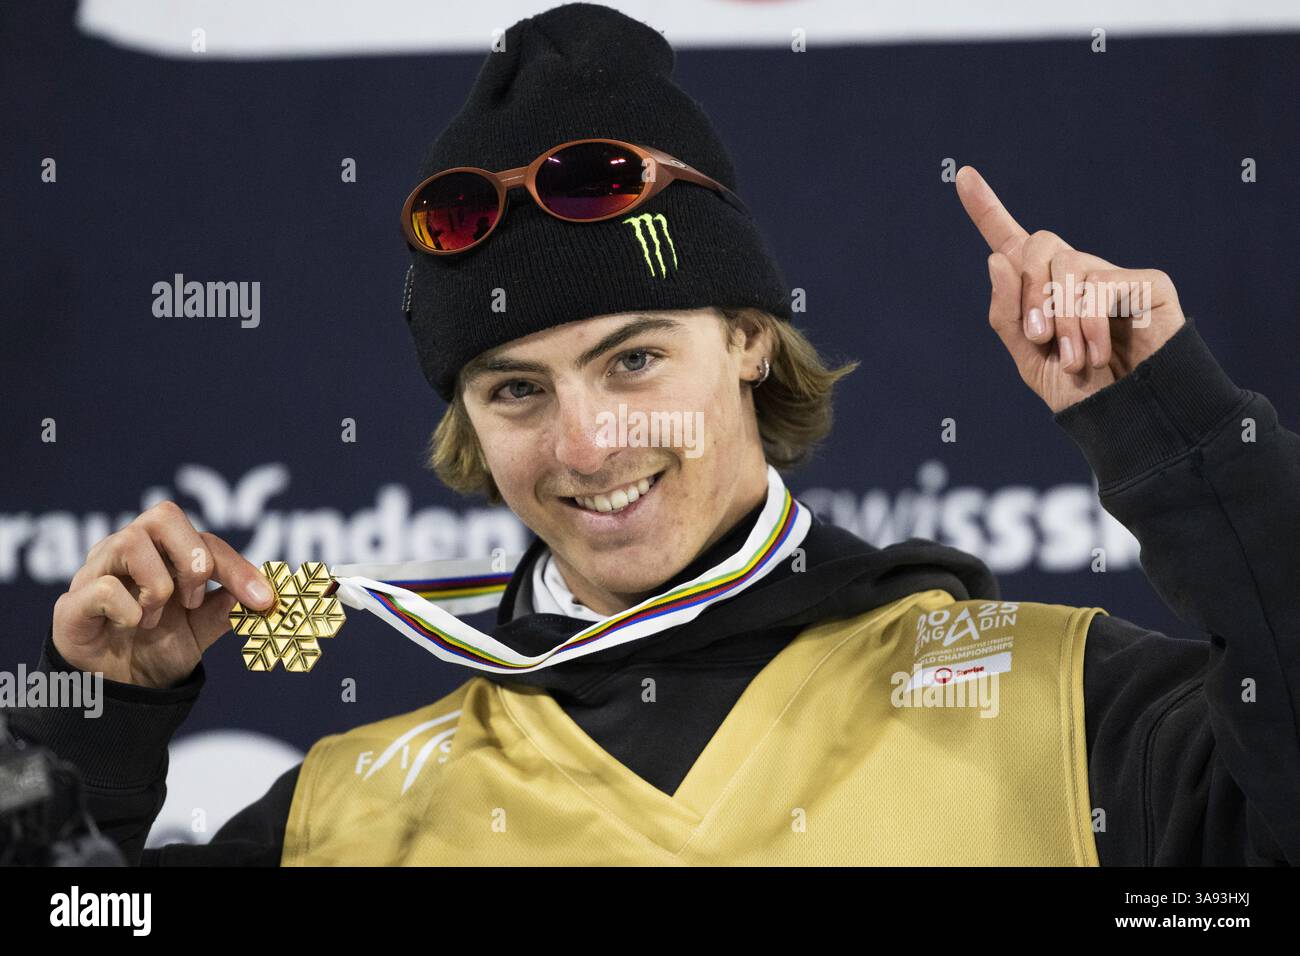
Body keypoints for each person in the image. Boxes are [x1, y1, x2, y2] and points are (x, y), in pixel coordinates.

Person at [5, 2, 1298, 865]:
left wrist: (1175, 425)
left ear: (747, 339)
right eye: (515, 389)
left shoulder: (1054, 708)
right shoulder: (353, 815)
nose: (585, 441)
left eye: (632, 358)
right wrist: (96, 729)